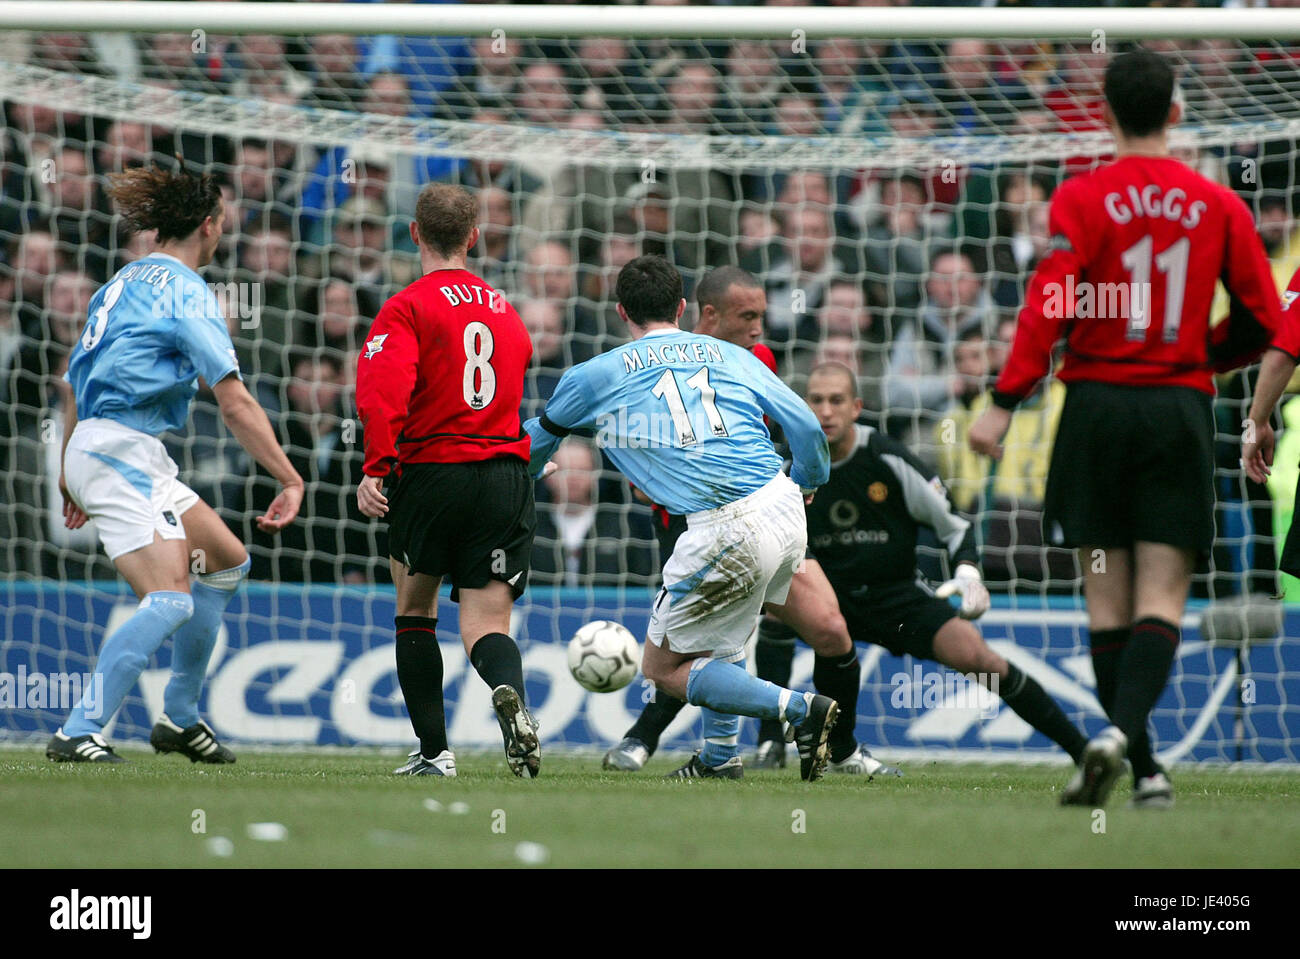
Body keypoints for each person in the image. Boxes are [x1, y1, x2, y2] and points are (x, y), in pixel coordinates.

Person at [969, 50, 1284, 809]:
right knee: (1163, 597)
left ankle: (1137, 761)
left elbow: (1049, 302)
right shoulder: (1219, 204)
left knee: (1104, 598)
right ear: (1176, 114)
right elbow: (1268, 321)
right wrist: (1203, 354)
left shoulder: (1080, 199)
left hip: (1095, 409)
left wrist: (1006, 398)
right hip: (1177, 410)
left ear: (1104, 114)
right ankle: (1133, 749)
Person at [525, 255, 841, 782]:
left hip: (724, 524)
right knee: (725, 642)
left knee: (663, 669)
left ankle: (800, 712)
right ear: (682, 307)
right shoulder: (732, 353)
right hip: (782, 503)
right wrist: (806, 481)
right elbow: (806, 427)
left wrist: (536, 466)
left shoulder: (592, 375)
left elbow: (538, 439)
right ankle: (720, 758)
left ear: (621, 310)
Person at [48, 162, 304, 764]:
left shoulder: (118, 282)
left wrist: (68, 467)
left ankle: (180, 719)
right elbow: (235, 400)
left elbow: (68, 383)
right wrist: (289, 478)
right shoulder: (189, 292)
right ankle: (78, 730)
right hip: (119, 452)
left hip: (107, 447)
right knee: (170, 598)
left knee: (227, 562)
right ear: (210, 227)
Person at [601, 266, 892, 779]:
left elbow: (774, 434)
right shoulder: (648, 366)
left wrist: (795, 480)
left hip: (761, 517)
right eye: (748, 315)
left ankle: (833, 747)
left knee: (828, 627)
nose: (760, 326)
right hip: (692, 526)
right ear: (707, 314)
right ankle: (698, 749)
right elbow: (636, 456)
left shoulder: (758, 359)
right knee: (712, 647)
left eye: (762, 314)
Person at [806, 362, 1088, 761]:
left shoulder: (885, 457)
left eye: (836, 401)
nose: (826, 411)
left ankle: (1085, 753)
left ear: (856, 407)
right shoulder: (790, 469)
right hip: (829, 603)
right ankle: (775, 745)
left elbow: (954, 524)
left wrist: (969, 574)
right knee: (773, 617)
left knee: (981, 659)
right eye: (816, 400)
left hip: (897, 598)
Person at [355, 183, 540, 779]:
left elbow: (382, 394)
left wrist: (377, 467)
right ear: (474, 237)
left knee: (415, 610)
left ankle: (435, 754)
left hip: (433, 473)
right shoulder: (506, 310)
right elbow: (513, 381)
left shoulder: (406, 306)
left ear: (413, 233)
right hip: (505, 474)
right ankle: (511, 697)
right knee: (486, 624)